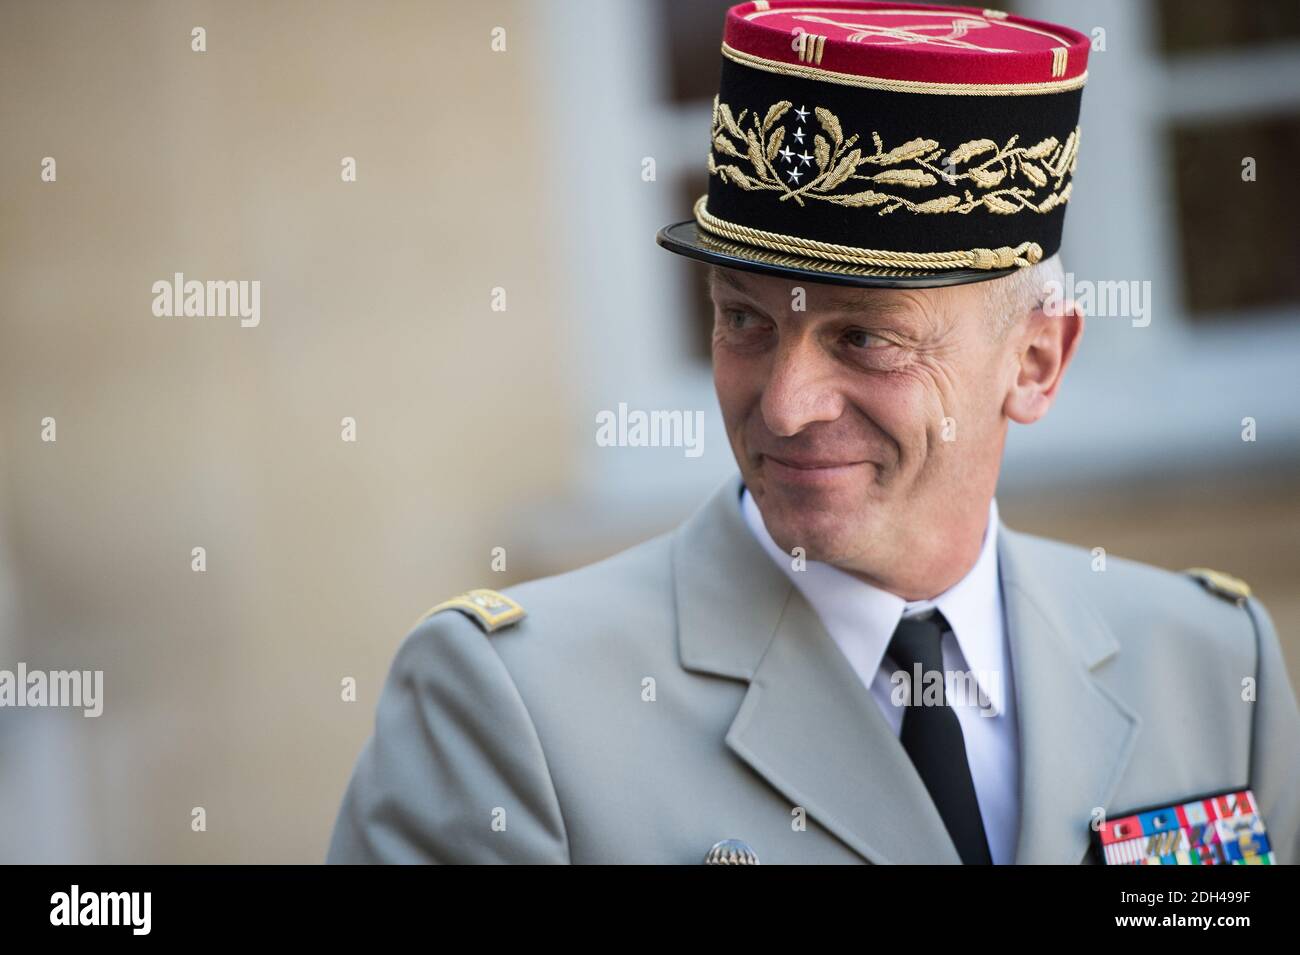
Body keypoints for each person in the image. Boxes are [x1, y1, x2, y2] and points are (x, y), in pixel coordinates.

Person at [326, 1, 1299, 864]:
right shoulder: (513, 706)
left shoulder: (1210, 664)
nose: (786, 405)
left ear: (1036, 362)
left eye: (864, 336)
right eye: (744, 319)